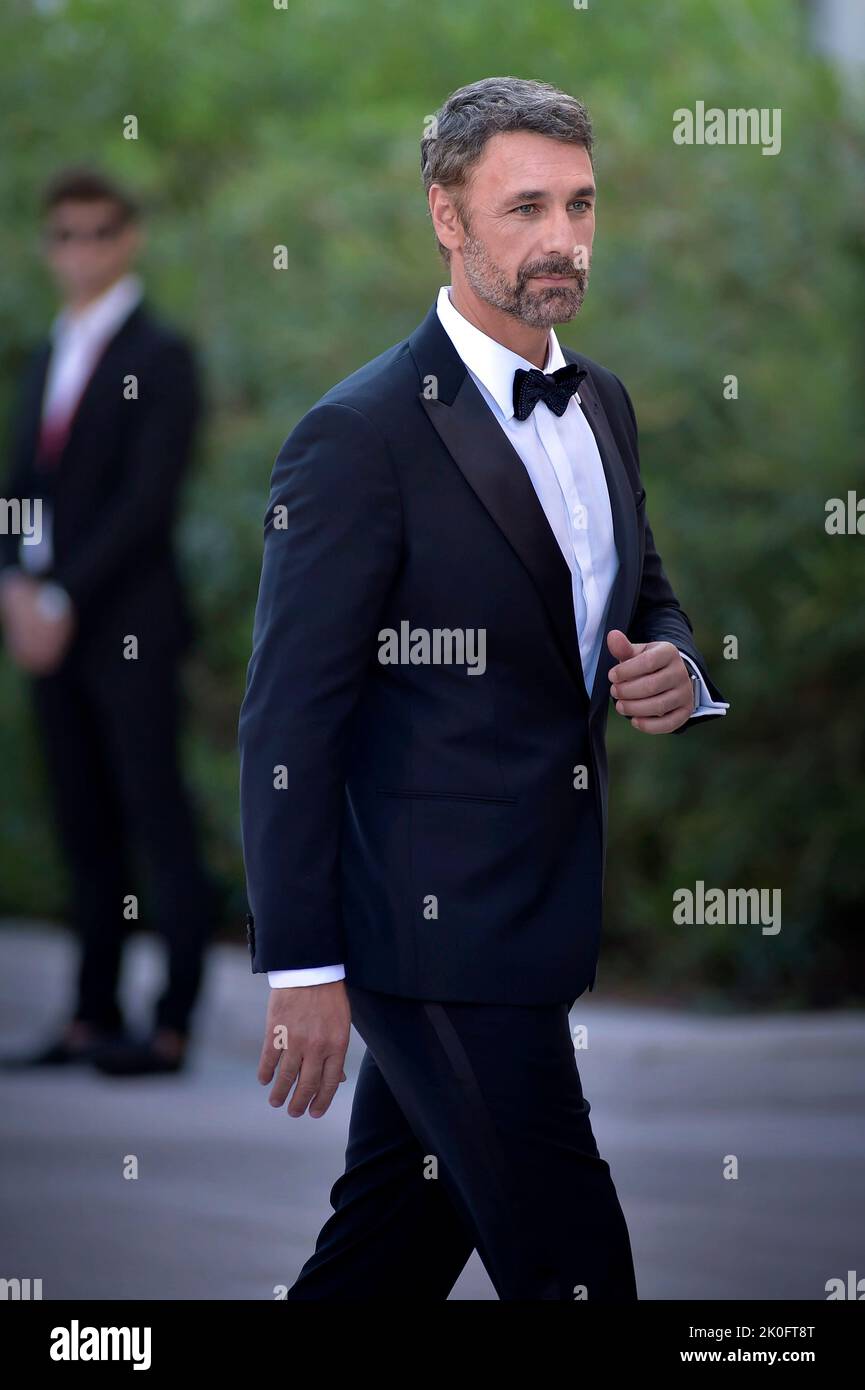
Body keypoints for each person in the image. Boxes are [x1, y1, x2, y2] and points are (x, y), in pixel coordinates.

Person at [238, 77, 729, 1299]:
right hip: (430, 940)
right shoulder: (357, 437)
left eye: (580, 205)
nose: (562, 239)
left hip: (541, 913)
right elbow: (288, 715)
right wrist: (301, 966)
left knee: (379, 1262)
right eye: (524, 209)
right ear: (448, 218)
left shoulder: (601, 399)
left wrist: (677, 666)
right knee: (576, 1265)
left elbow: (642, 592)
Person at [0, 167, 215, 1076]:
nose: (80, 251)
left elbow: (144, 503)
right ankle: (90, 1012)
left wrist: (61, 594)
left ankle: (169, 1022)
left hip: (127, 623)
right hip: (46, 626)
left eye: (97, 233)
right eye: (64, 235)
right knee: (82, 819)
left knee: (153, 813)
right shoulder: (50, 353)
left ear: (127, 238)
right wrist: (13, 580)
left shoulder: (159, 356)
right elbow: (21, 487)